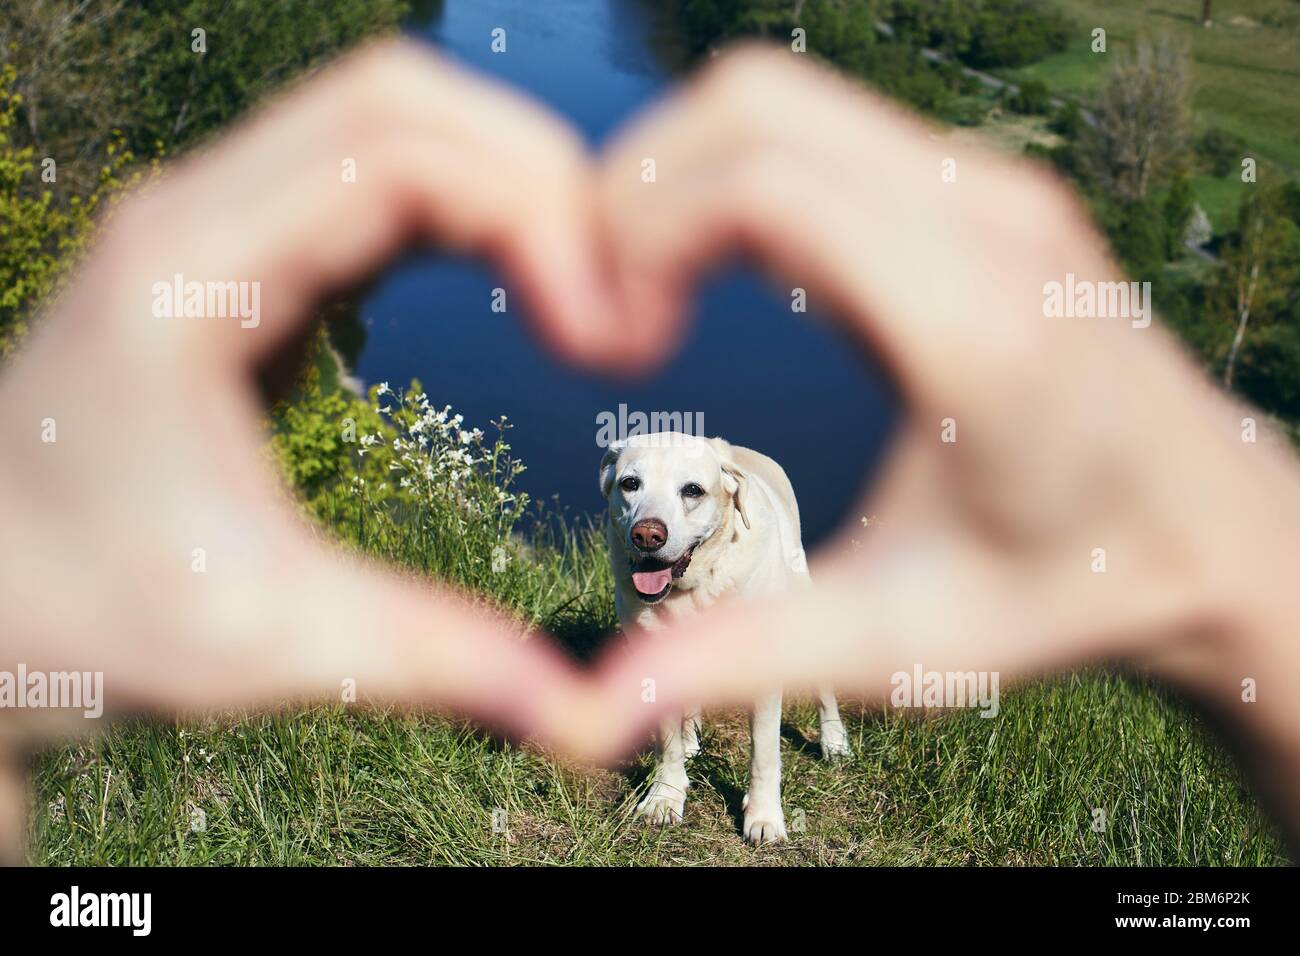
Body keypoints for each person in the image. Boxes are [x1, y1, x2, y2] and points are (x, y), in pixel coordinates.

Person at [1, 41, 1297, 863]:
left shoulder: (745, 510)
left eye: (678, 496)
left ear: (721, 493)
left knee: (790, 662)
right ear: (614, 491)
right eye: (632, 493)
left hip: (773, 555)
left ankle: (785, 784)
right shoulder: (639, 550)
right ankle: (677, 779)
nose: (652, 520)